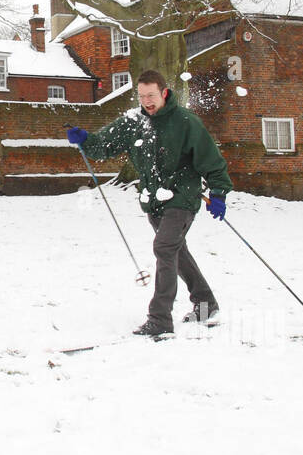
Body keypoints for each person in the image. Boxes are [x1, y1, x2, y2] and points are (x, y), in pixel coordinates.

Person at [66, 69, 232, 339]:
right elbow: (103, 145)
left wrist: (219, 193)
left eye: (151, 95)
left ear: (164, 92)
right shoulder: (132, 122)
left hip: (182, 197)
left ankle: (160, 320)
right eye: (142, 96)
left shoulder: (186, 122)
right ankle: (206, 306)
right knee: (176, 253)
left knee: (164, 248)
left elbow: (211, 160)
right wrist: (84, 139)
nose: (147, 101)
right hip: (154, 202)